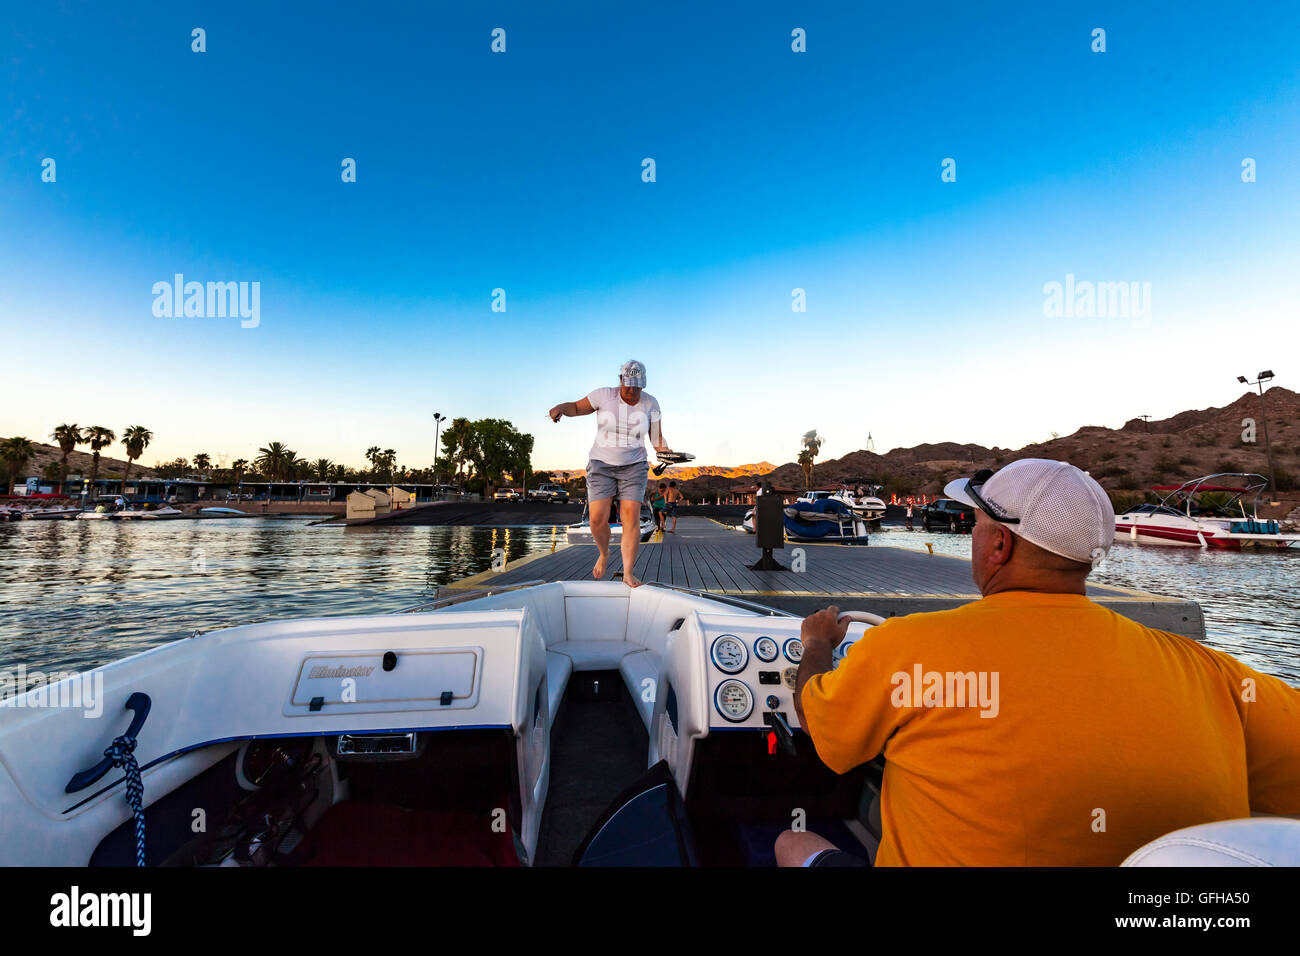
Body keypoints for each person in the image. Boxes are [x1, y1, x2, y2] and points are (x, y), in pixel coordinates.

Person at [776, 458, 1300, 867]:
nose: (973, 535)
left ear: (999, 544)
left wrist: (817, 645)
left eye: (976, 524)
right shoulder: (1212, 673)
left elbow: (826, 738)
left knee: (790, 841)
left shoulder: (907, 647)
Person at [548, 359, 672, 588]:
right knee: (596, 519)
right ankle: (604, 553)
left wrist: (666, 453)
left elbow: (656, 438)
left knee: (631, 517)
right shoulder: (604, 396)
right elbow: (575, 407)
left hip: (634, 465)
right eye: (629, 386)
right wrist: (560, 409)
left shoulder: (651, 403)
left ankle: (627, 573)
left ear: (643, 385)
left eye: (638, 387)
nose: (633, 391)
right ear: (620, 380)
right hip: (601, 465)